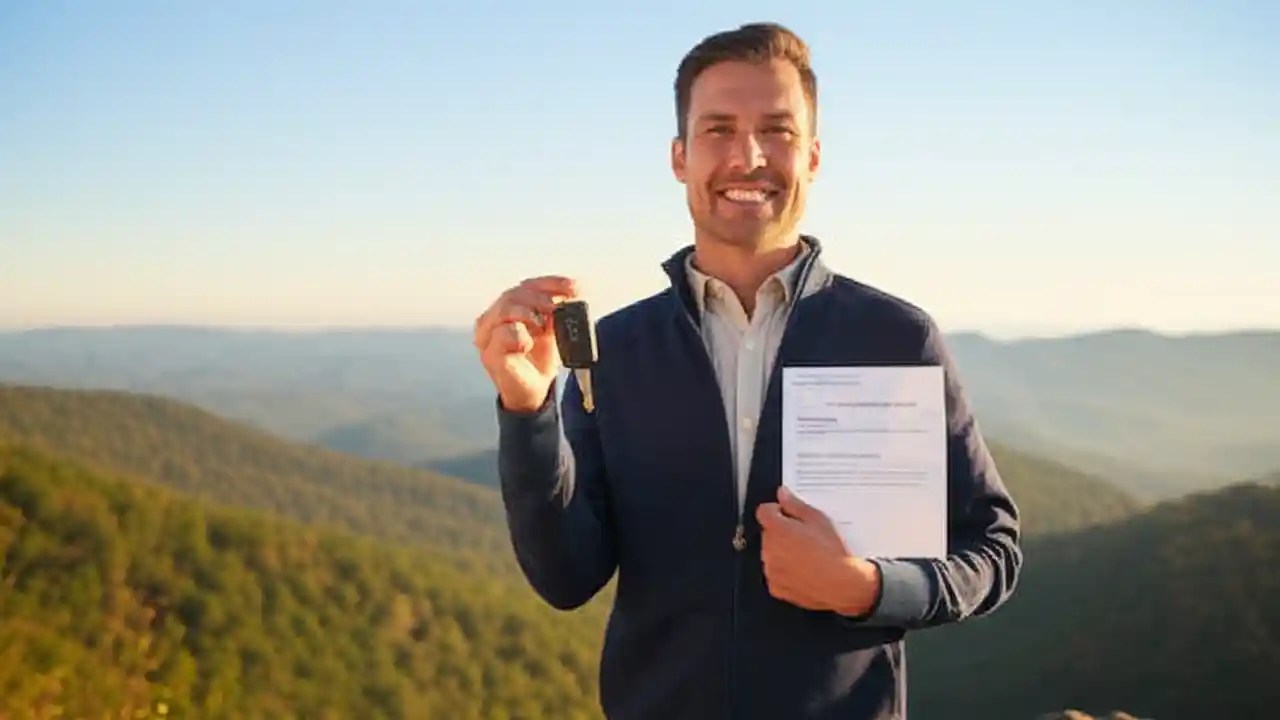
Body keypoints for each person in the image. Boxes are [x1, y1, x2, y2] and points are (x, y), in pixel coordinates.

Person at [473, 21, 1022, 720]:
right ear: (680, 156)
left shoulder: (895, 338)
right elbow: (565, 576)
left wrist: (866, 588)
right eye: (719, 129)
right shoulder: (618, 349)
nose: (749, 156)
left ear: (813, 156)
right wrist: (528, 411)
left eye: (777, 130)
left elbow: (992, 550)